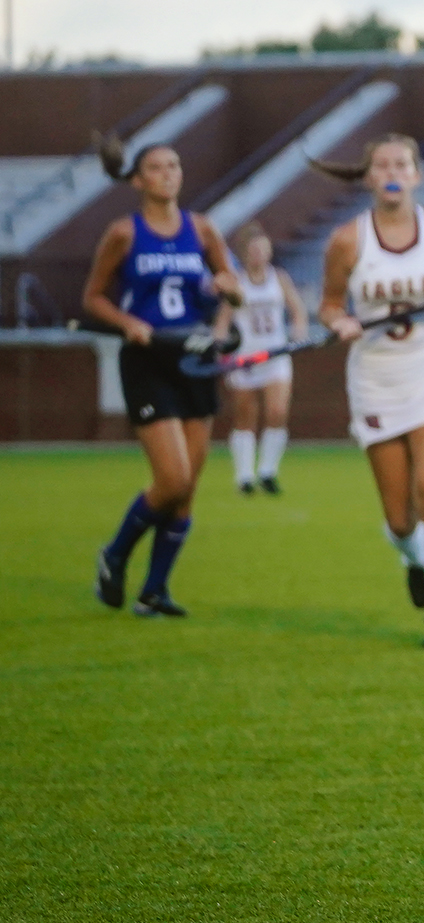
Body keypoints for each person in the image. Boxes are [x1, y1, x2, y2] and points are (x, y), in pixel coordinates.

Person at [312, 134, 424, 649]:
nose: (392, 171)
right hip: (376, 379)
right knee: (399, 519)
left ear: (417, 174)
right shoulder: (347, 240)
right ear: (368, 176)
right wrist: (340, 321)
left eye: (402, 163)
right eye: (382, 164)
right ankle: (414, 557)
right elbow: (327, 306)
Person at [86, 137, 243, 618]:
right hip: (149, 362)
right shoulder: (123, 233)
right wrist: (127, 322)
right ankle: (114, 554)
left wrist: (225, 293)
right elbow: (93, 298)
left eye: (174, 165)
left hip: (195, 360)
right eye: (157, 167)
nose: (169, 173)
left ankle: (154, 591)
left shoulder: (203, 229)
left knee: (187, 489)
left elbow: (233, 290)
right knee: (171, 481)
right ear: (138, 180)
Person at [215, 222, 306, 496]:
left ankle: (268, 471)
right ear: (244, 253)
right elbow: (222, 321)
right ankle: (244, 476)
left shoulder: (279, 278)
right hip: (246, 358)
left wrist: (298, 331)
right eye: (254, 250)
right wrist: (219, 348)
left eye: (263, 249)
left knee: (277, 412)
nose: (259, 254)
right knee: (245, 417)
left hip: (275, 355)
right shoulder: (237, 283)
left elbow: (298, 311)